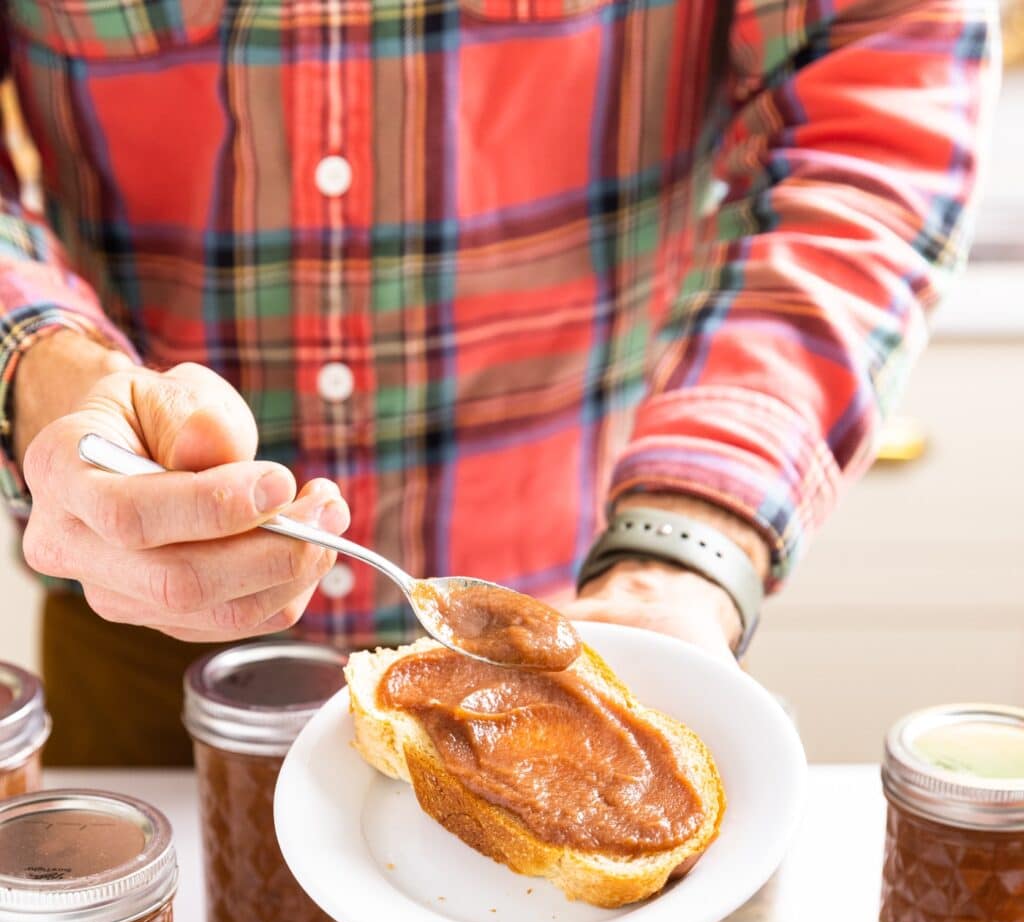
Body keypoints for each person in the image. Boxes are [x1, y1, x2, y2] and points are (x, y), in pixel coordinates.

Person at [0, 0, 995, 767]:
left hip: (605, 621)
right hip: (142, 634)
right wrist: (48, 371)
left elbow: (875, 117)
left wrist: (687, 544)